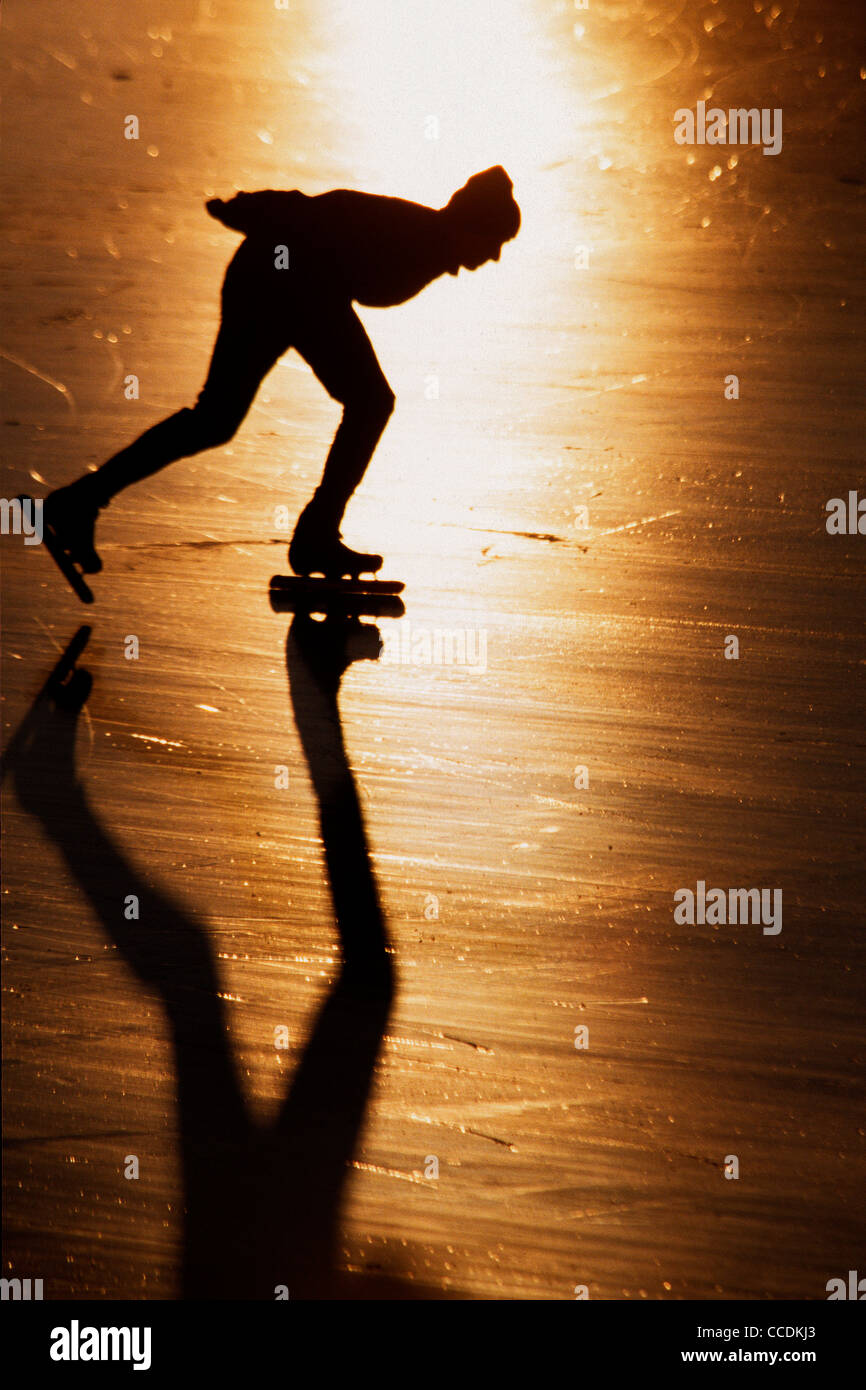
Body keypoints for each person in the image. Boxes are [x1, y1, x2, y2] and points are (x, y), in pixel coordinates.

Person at [43, 166, 521, 583]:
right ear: (469, 226)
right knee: (368, 403)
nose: (496, 256)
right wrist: (253, 213)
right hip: (280, 281)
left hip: (285, 283)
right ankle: (316, 536)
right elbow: (322, 212)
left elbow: (326, 221)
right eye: (495, 241)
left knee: (216, 421)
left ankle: (76, 504)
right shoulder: (411, 235)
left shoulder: (428, 243)